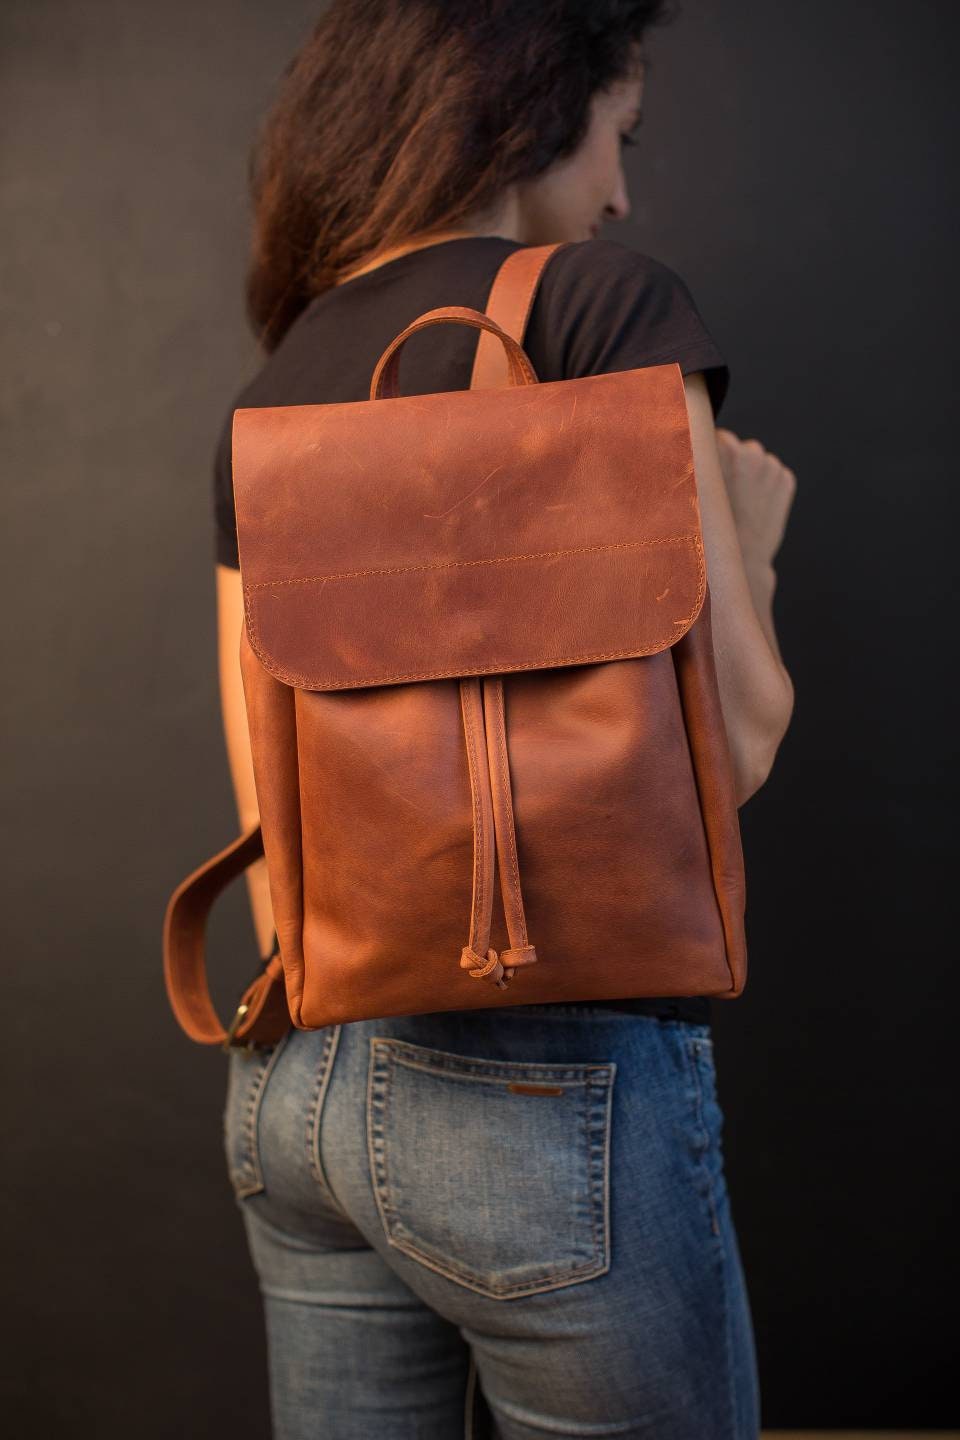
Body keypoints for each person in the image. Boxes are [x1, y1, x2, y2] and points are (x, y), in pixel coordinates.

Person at [212, 3, 796, 1436]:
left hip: (296, 1087)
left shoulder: (274, 386)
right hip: (541, 1106)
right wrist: (761, 549)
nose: (621, 190)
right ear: (529, 107)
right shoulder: (601, 309)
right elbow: (729, 745)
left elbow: (271, 822)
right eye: (620, 134)